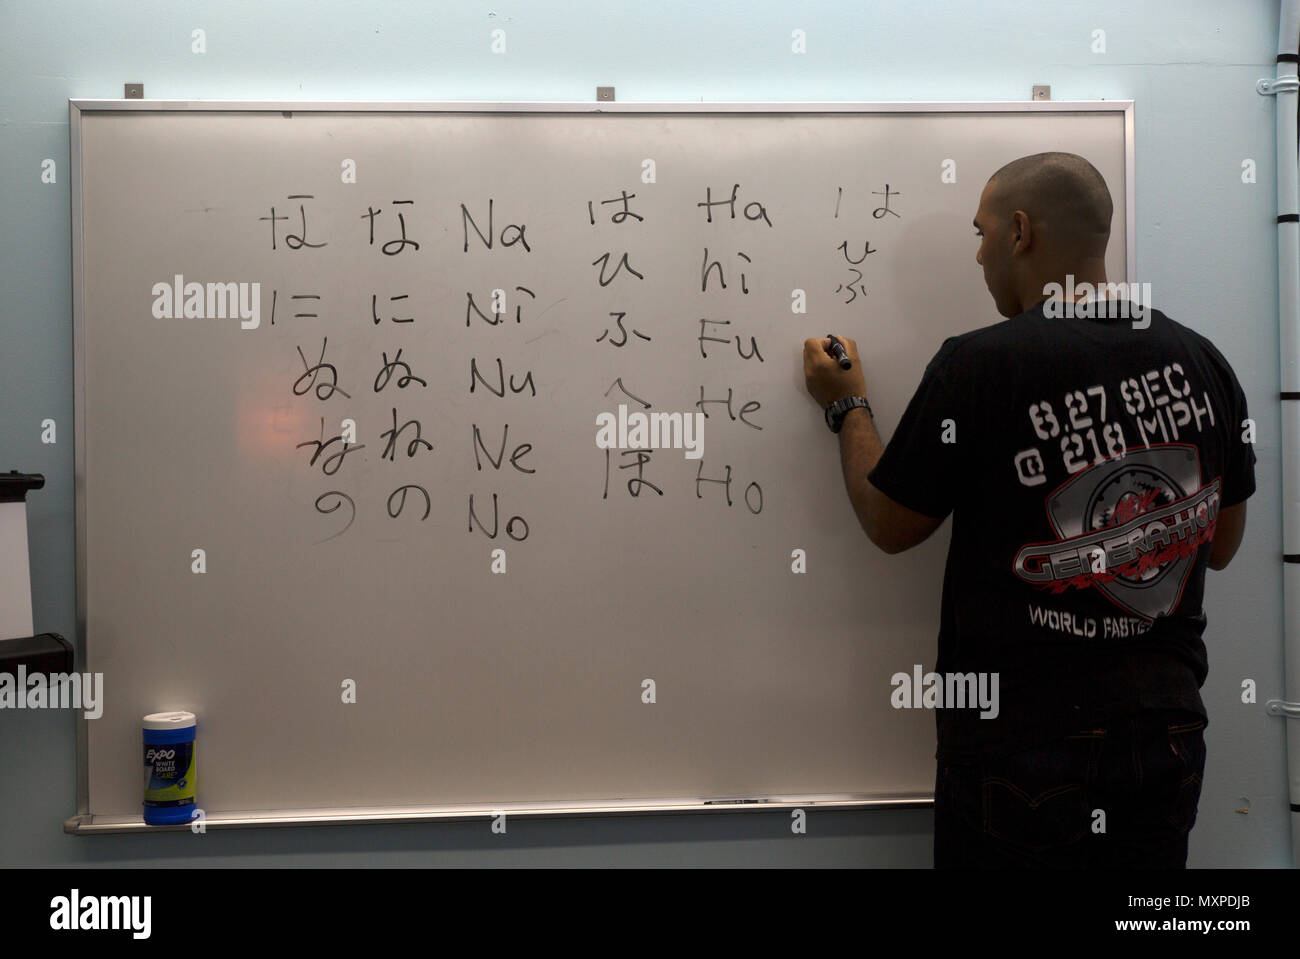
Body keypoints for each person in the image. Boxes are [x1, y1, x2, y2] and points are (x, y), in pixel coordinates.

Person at [802, 152, 1255, 868]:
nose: (978, 254)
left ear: (1020, 231)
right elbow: (1221, 544)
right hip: (1163, 734)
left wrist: (847, 406)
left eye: (980, 233)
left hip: (1019, 742)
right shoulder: (1204, 361)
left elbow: (890, 524)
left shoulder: (979, 365)